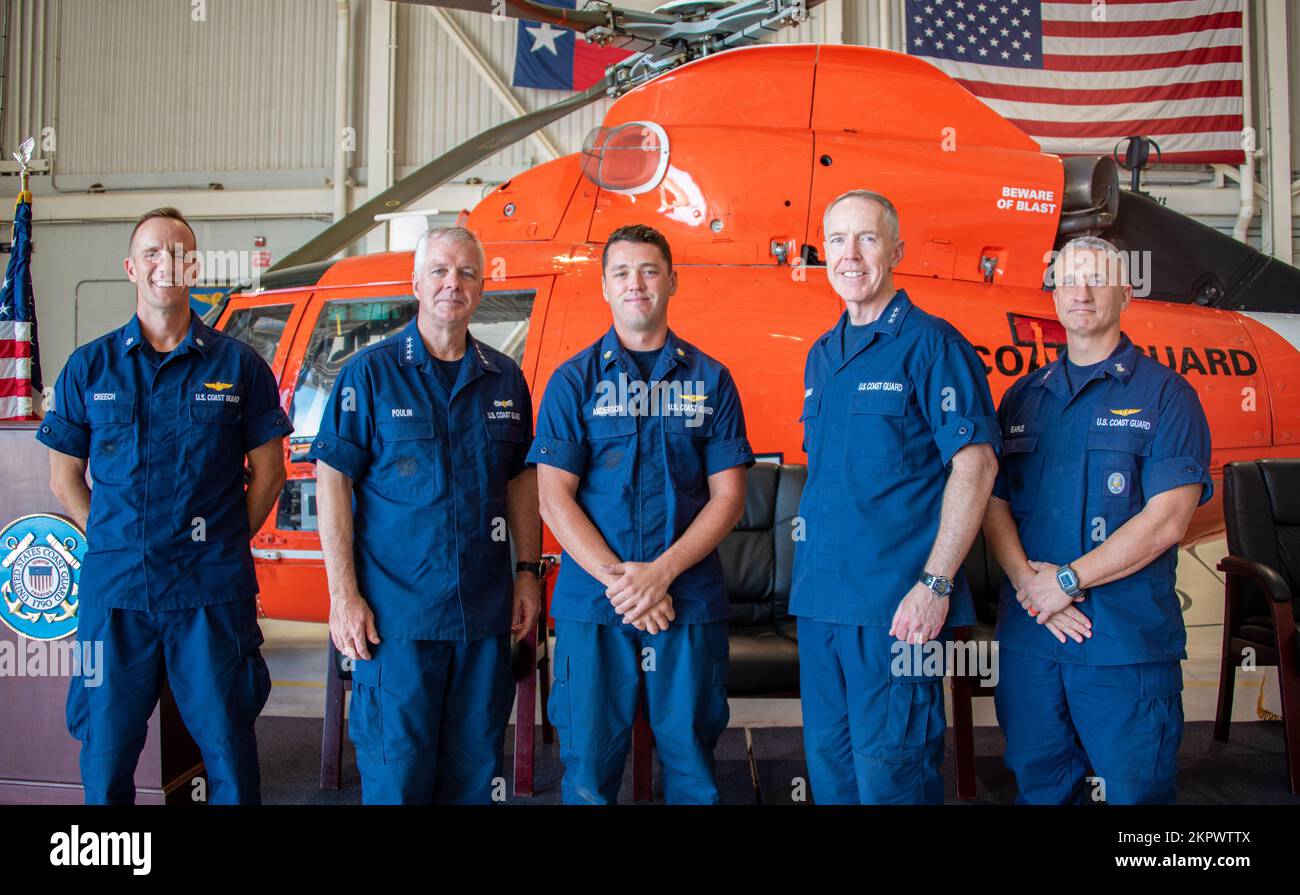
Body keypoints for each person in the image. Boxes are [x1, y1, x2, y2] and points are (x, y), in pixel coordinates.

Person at [37, 207, 291, 804]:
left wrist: (225, 541)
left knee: (229, 747)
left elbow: (271, 473)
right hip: (116, 593)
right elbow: (63, 474)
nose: (164, 264)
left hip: (211, 594)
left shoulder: (238, 367)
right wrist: (109, 536)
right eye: (152, 253)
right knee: (106, 751)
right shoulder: (89, 367)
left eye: (177, 252)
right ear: (132, 267)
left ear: (193, 266)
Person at [308, 226, 541, 804]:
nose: (451, 284)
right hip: (397, 625)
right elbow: (332, 481)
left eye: (465, 272)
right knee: (397, 780)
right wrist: (343, 595)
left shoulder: (504, 378)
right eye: (438, 271)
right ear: (416, 282)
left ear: (482, 288)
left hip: (483, 623)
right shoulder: (369, 374)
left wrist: (528, 572)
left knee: (474, 775)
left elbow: (520, 480)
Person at [528, 223, 753, 804]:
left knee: (693, 764)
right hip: (594, 605)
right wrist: (624, 584)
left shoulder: (711, 380)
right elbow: (553, 496)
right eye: (622, 272)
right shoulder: (573, 381)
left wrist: (661, 574)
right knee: (587, 769)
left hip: (689, 599)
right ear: (604, 287)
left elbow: (729, 498)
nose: (637, 283)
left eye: (650, 270)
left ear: (672, 281)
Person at [983, 235, 1211, 804]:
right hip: (1033, 639)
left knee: (1134, 797)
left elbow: (1166, 522)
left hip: (1122, 647)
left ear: (1125, 293)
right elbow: (992, 502)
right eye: (1067, 280)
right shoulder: (1021, 399)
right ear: (1054, 296)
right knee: (1040, 787)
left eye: (1096, 278)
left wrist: (1065, 582)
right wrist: (1029, 588)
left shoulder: (1168, 397)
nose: (1080, 292)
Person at [793, 189, 1000, 804]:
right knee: (831, 776)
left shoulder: (933, 345)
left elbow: (978, 464)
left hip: (897, 610)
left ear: (897, 250)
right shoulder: (822, 356)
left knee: (893, 777)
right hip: (820, 605)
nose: (849, 255)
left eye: (867, 239)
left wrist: (936, 584)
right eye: (836, 240)